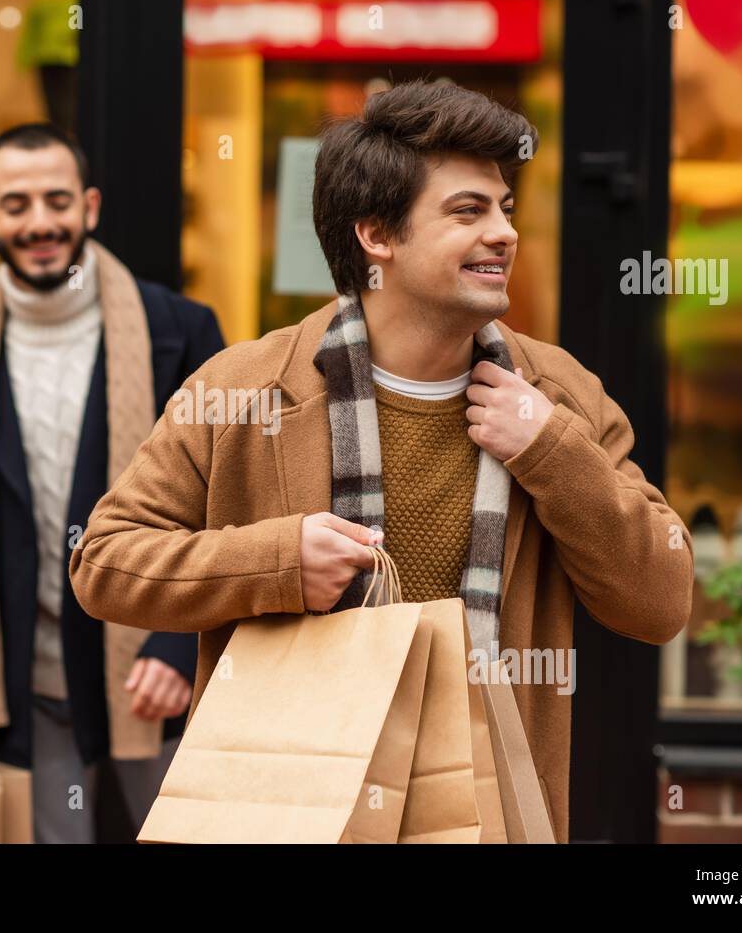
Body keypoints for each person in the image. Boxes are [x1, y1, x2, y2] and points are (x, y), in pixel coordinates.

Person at [69, 81, 693, 844]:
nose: (504, 233)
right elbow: (103, 560)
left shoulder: (558, 397)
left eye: (505, 208)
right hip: (297, 806)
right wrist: (276, 559)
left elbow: (660, 601)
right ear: (377, 235)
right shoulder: (243, 389)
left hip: (487, 808)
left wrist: (551, 449)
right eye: (468, 211)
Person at [0, 123, 224, 842]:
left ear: (90, 206)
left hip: (152, 665)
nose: (39, 222)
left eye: (56, 200)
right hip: (21, 675)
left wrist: (177, 644)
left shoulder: (182, 331)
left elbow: (228, 503)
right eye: (16, 205)